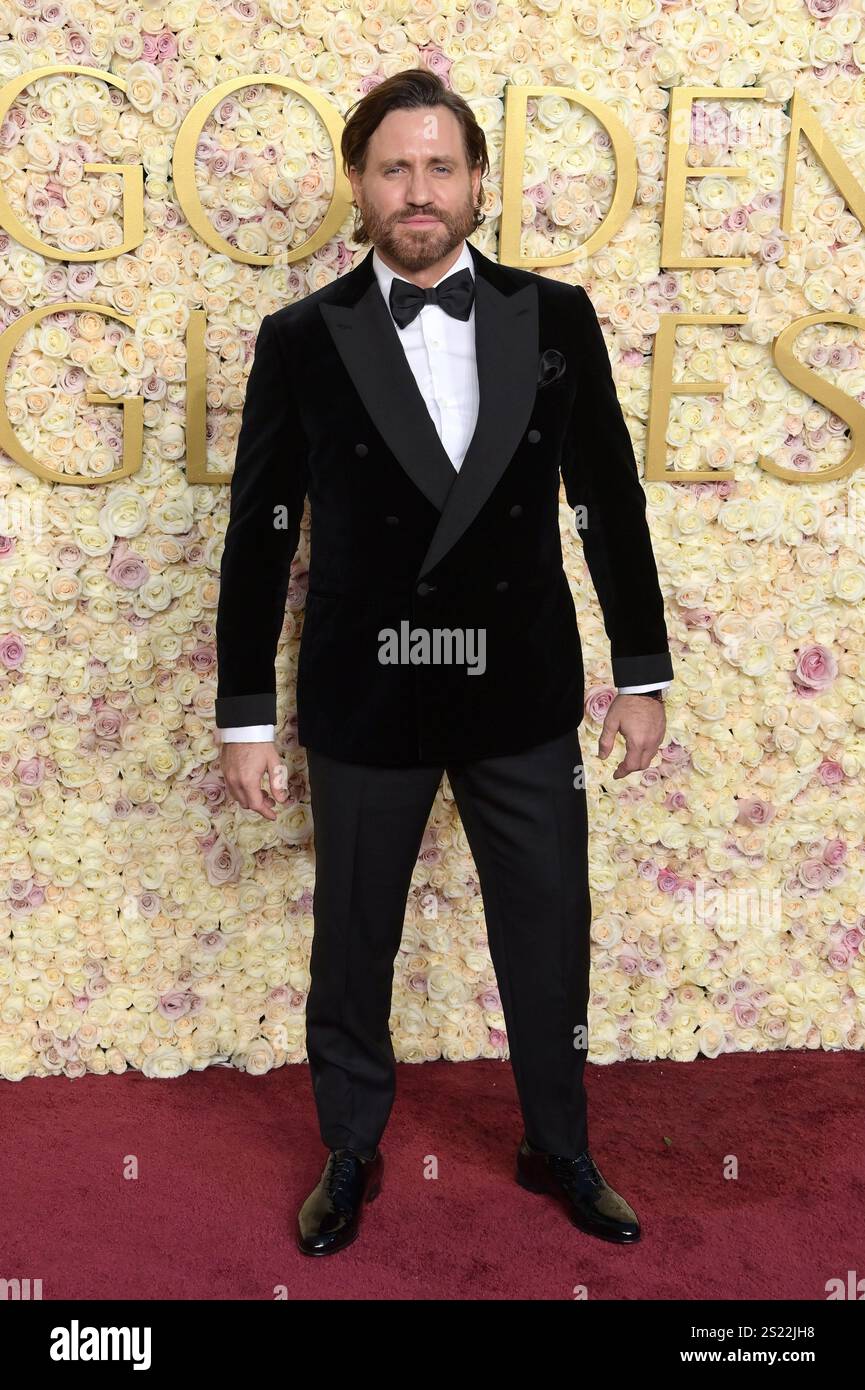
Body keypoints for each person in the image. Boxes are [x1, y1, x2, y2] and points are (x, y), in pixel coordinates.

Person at [215, 67, 673, 1257]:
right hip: (366, 690)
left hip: (519, 687)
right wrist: (245, 715)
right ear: (359, 186)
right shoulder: (299, 339)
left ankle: (557, 1142)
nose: (417, 191)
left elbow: (607, 499)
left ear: (477, 183)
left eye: (440, 167)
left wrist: (642, 671)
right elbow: (259, 526)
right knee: (353, 935)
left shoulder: (554, 315)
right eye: (393, 169)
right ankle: (352, 1148)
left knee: (549, 927)